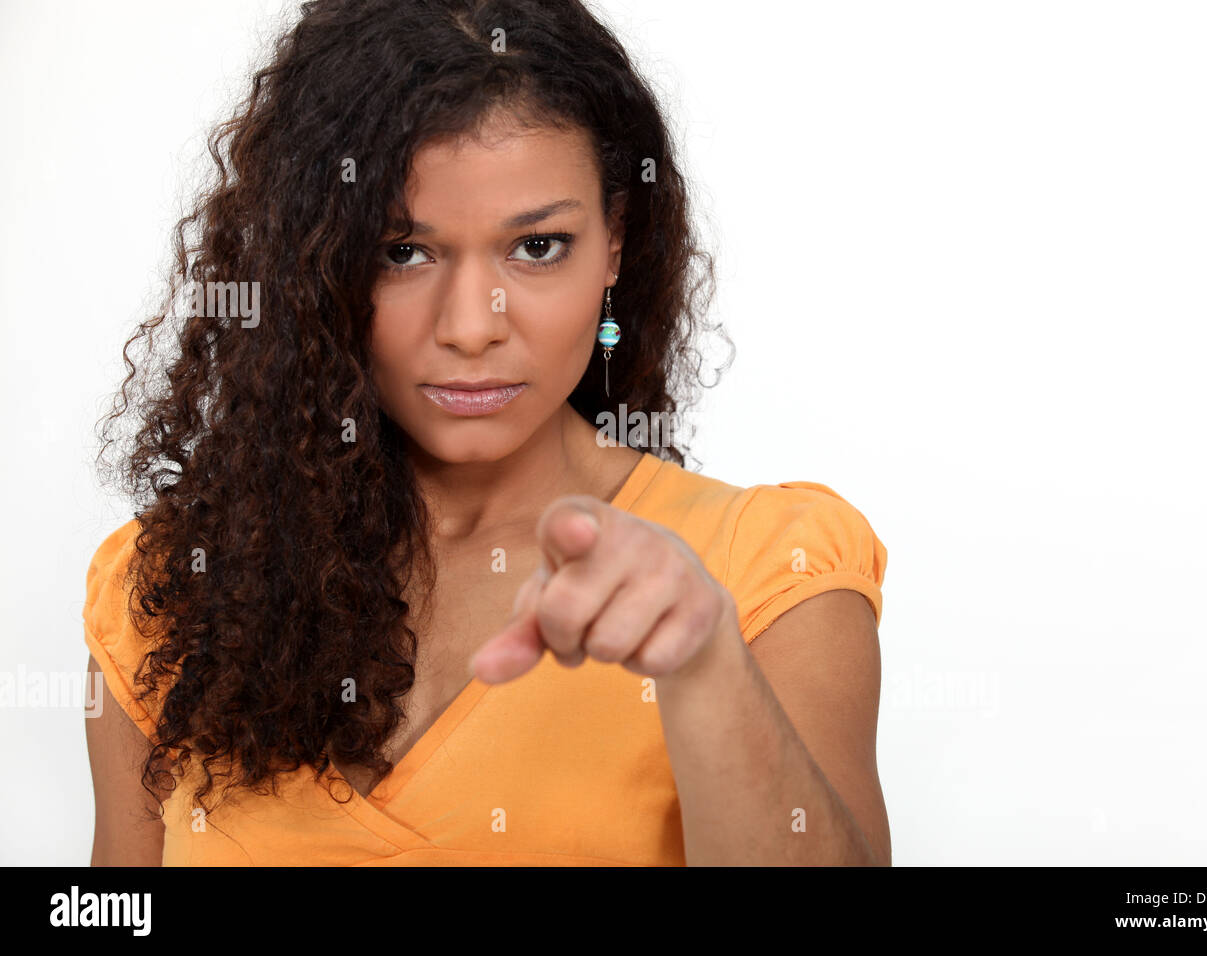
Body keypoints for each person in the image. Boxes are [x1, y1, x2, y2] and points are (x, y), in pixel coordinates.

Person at [84, 0, 890, 866]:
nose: (473, 326)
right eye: (403, 252)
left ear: (614, 243)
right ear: (314, 265)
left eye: (537, 246)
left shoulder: (771, 569)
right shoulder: (167, 588)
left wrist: (704, 668)